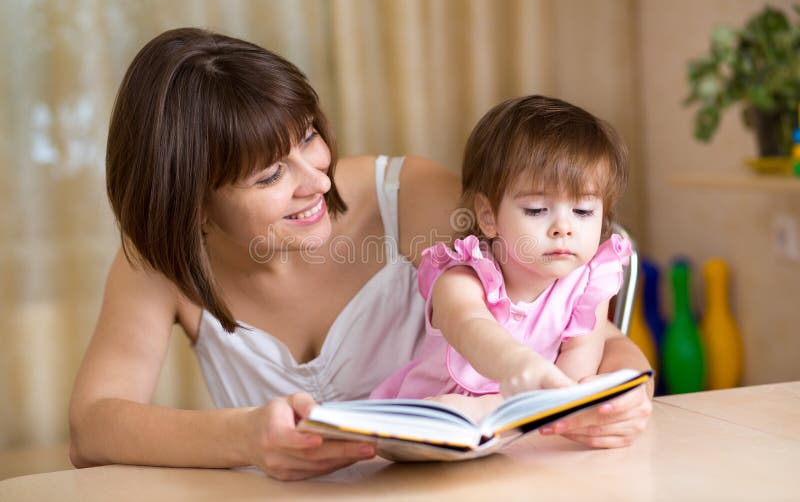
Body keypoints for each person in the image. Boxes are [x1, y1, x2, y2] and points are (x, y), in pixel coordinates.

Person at [68, 28, 653, 481]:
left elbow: (562, 305)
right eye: (271, 174)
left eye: (307, 139)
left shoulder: (414, 199)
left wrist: (627, 381)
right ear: (191, 205)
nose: (316, 182)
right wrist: (246, 439)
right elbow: (92, 426)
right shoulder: (160, 262)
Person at [372, 95, 634, 400]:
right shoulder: (462, 280)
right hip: (434, 419)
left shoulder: (589, 285)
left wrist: (564, 406)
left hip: (524, 425)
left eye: (583, 211)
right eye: (536, 210)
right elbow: (471, 327)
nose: (564, 227)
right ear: (488, 215)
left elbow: (576, 370)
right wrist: (518, 366)